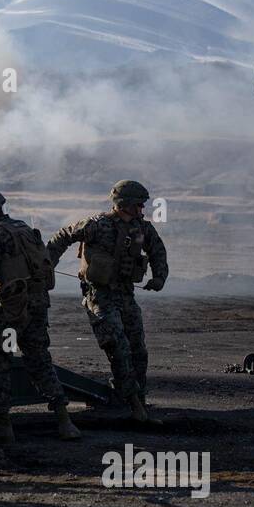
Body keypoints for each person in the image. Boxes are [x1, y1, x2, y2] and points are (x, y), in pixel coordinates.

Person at [47, 180, 168, 423]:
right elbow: (63, 236)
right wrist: (46, 265)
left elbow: (157, 251)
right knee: (118, 348)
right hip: (99, 296)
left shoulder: (141, 229)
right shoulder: (96, 225)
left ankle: (137, 399)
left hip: (125, 295)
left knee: (138, 351)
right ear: (124, 204)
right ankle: (135, 408)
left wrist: (159, 277)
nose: (141, 210)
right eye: (137, 205)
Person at [0, 189, 79, 443]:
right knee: (40, 362)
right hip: (36, 309)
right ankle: (64, 421)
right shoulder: (24, 229)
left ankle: (3, 426)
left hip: (9, 316)